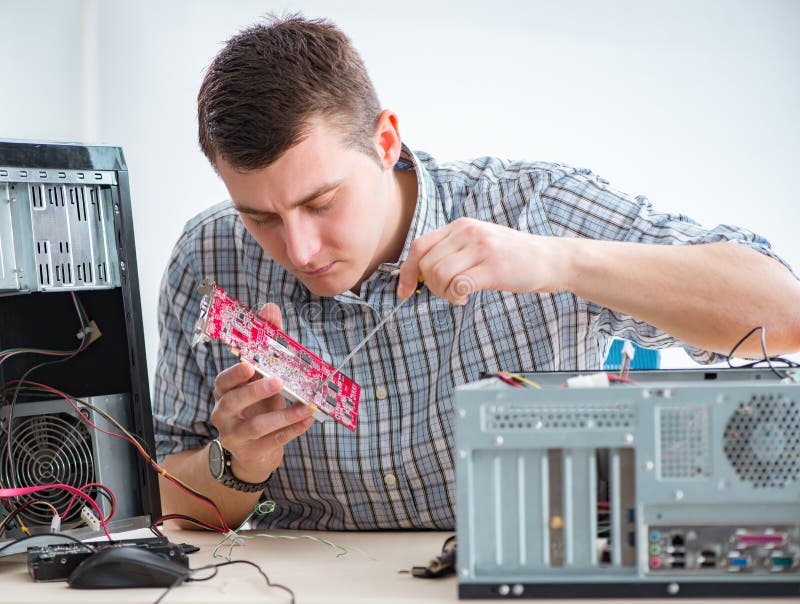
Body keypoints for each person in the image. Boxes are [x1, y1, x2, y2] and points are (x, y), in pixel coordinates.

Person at [153, 15, 800, 531]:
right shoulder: (207, 259)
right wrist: (239, 464)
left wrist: (561, 261)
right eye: (260, 216)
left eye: (321, 203)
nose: (299, 247)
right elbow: (163, 493)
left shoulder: (532, 208)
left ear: (386, 143)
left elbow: (786, 315)